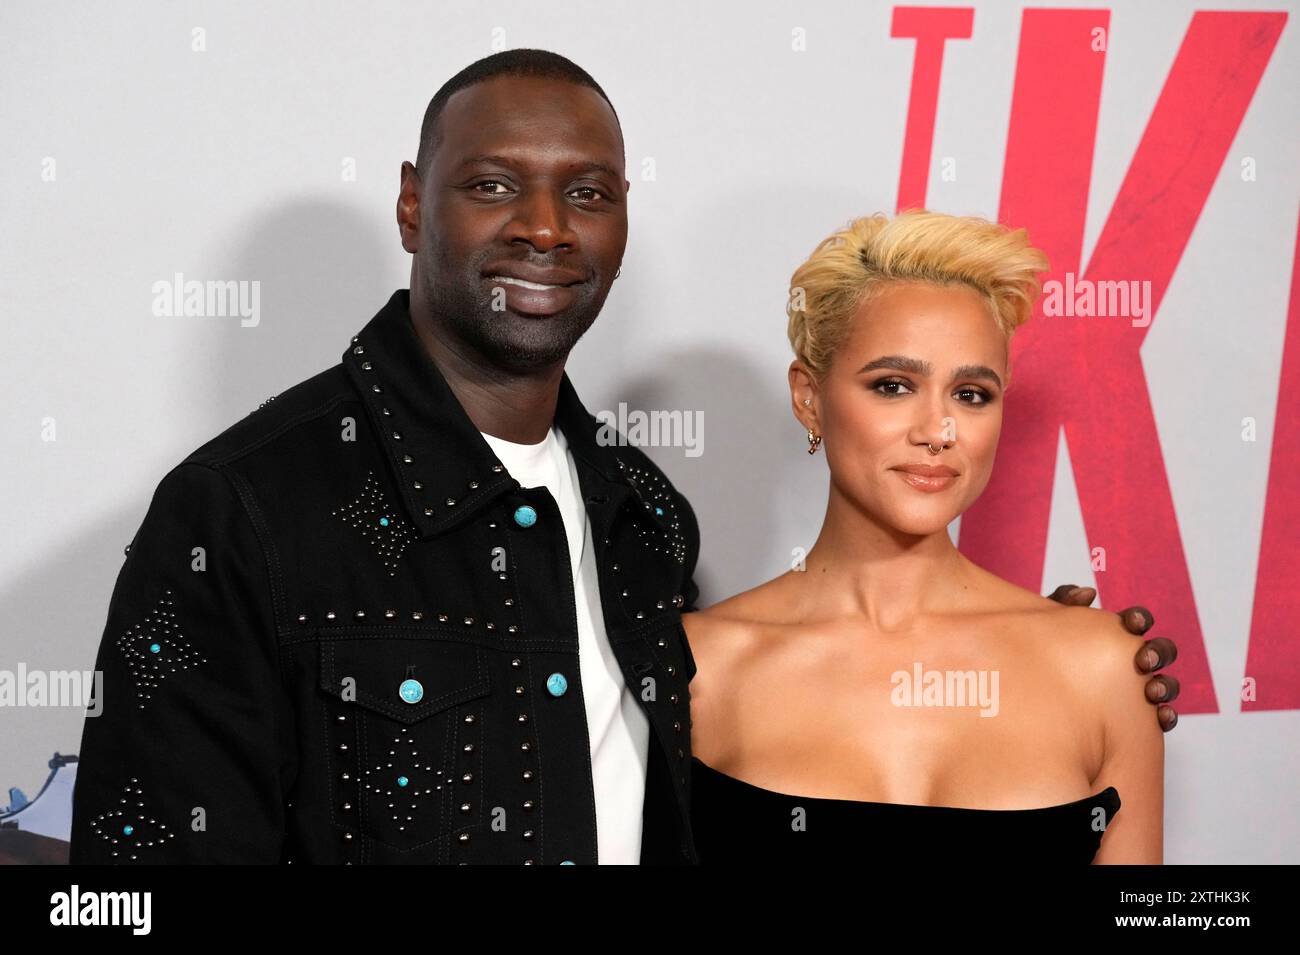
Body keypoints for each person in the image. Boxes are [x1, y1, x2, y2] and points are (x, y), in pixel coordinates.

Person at [70, 50, 1177, 866]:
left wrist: (1051, 653)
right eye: (493, 184)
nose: (546, 228)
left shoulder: (641, 517)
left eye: (587, 193)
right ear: (413, 204)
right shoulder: (245, 508)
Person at [686, 210, 1163, 864]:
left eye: (971, 394)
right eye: (893, 385)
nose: (938, 429)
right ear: (809, 398)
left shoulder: (1102, 665)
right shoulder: (700, 668)